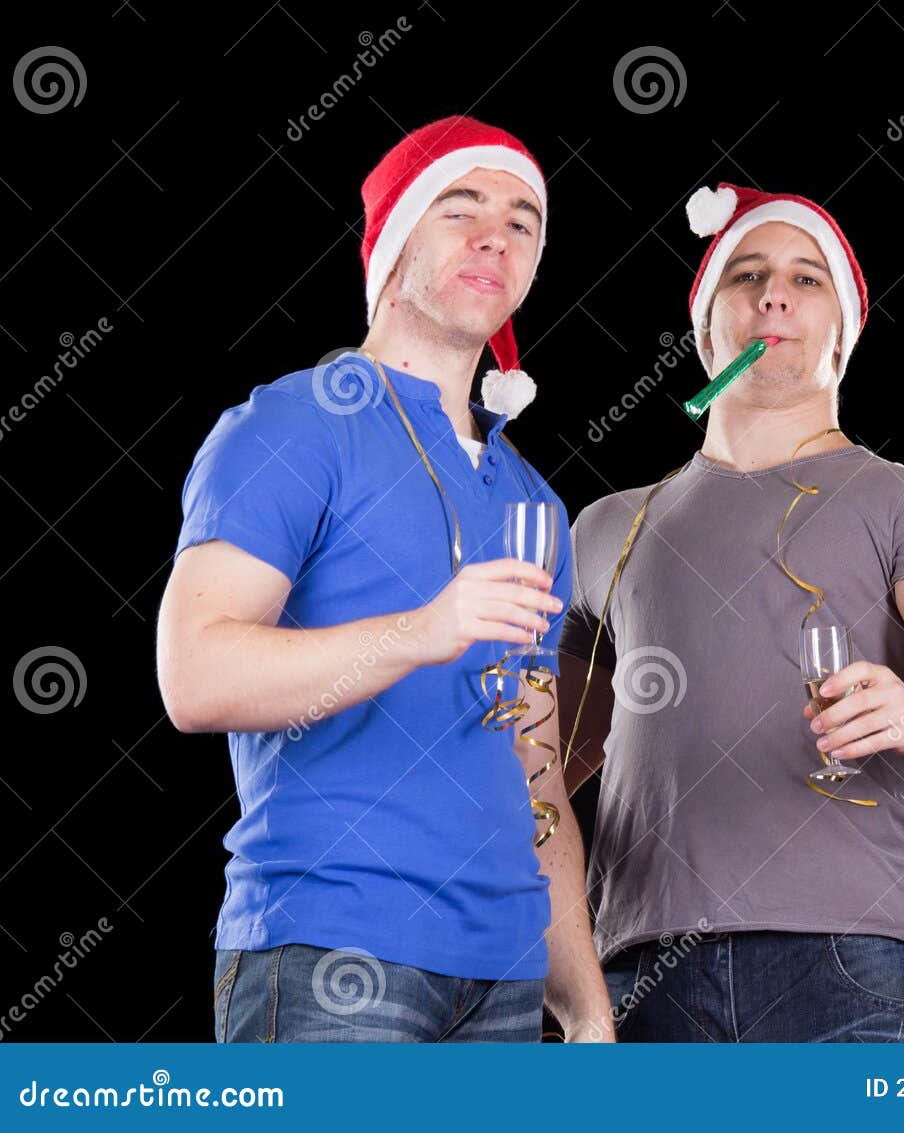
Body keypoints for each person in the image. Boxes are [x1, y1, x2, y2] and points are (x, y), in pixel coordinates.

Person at [157, 116, 613, 1042]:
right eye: (462, 208)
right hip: (332, 952)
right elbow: (194, 677)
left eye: (522, 221)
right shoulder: (290, 425)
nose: (496, 235)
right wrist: (423, 631)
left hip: (507, 983)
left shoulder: (535, 503)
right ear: (398, 238)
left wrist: (587, 1006)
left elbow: (537, 775)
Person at [555, 183, 904, 1042]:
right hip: (638, 969)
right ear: (705, 330)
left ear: (843, 333)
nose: (774, 294)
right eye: (747, 275)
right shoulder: (605, 528)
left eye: (808, 279)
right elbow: (537, 766)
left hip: (847, 960)